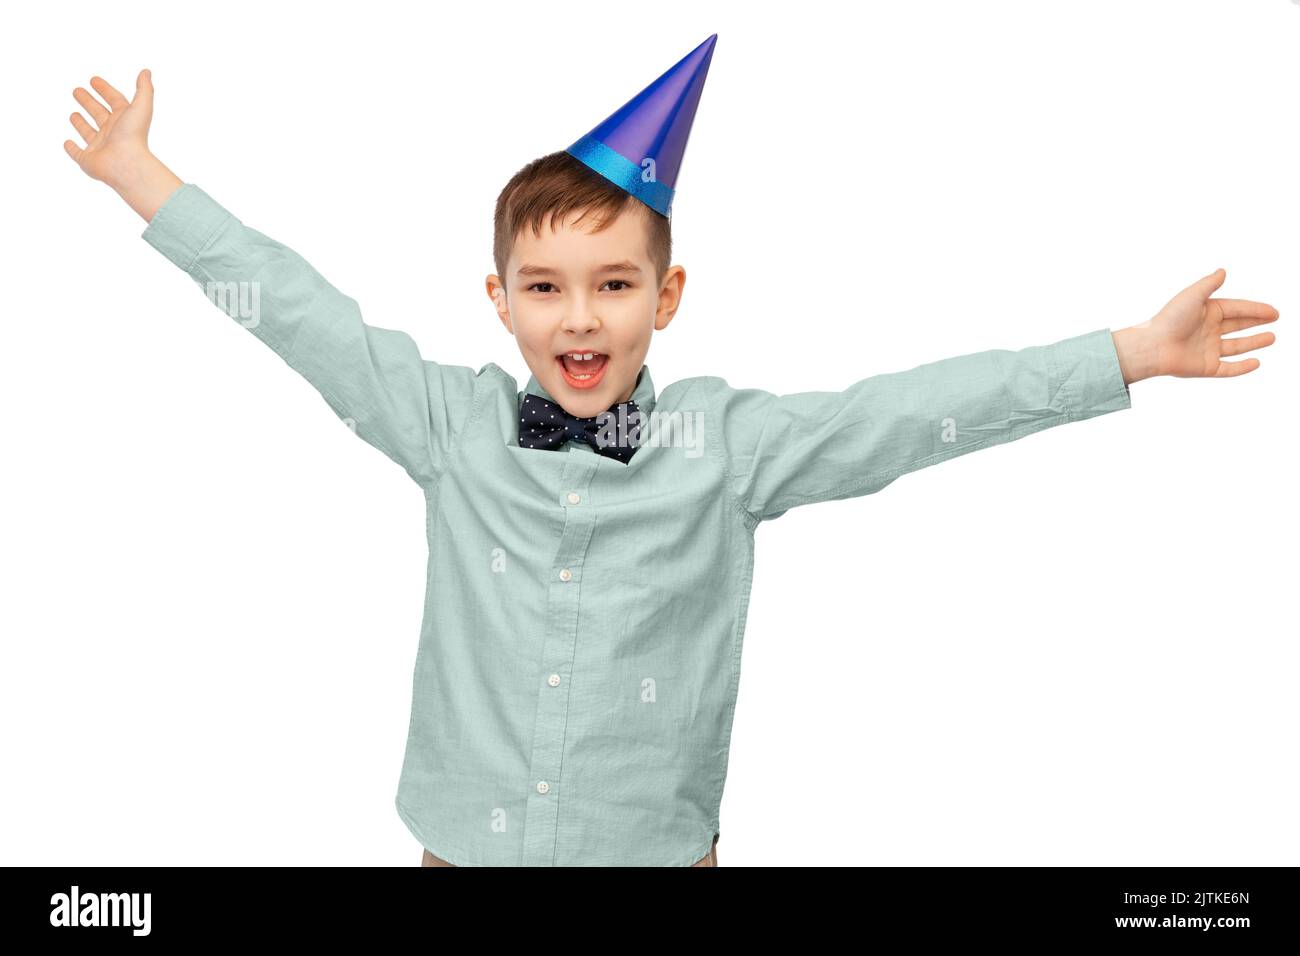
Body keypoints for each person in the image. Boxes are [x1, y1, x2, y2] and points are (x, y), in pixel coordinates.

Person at [63, 42, 1278, 865]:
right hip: (459, 845)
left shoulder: (731, 445)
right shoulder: (444, 421)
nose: (578, 316)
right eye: (544, 286)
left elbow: (909, 410)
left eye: (611, 284)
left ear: (667, 293)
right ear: (498, 299)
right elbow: (301, 309)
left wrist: (1124, 352)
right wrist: (140, 177)